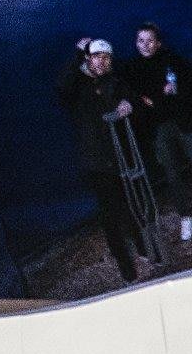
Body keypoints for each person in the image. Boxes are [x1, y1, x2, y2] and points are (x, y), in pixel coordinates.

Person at [60, 36, 149, 281]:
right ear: (88, 59)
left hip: (119, 153)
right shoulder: (78, 84)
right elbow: (62, 90)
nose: (102, 61)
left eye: (106, 57)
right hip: (96, 160)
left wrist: (129, 104)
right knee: (109, 213)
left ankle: (141, 244)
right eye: (96, 56)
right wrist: (76, 55)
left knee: (129, 201)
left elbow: (133, 101)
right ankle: (124, 262)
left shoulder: (114, 81)